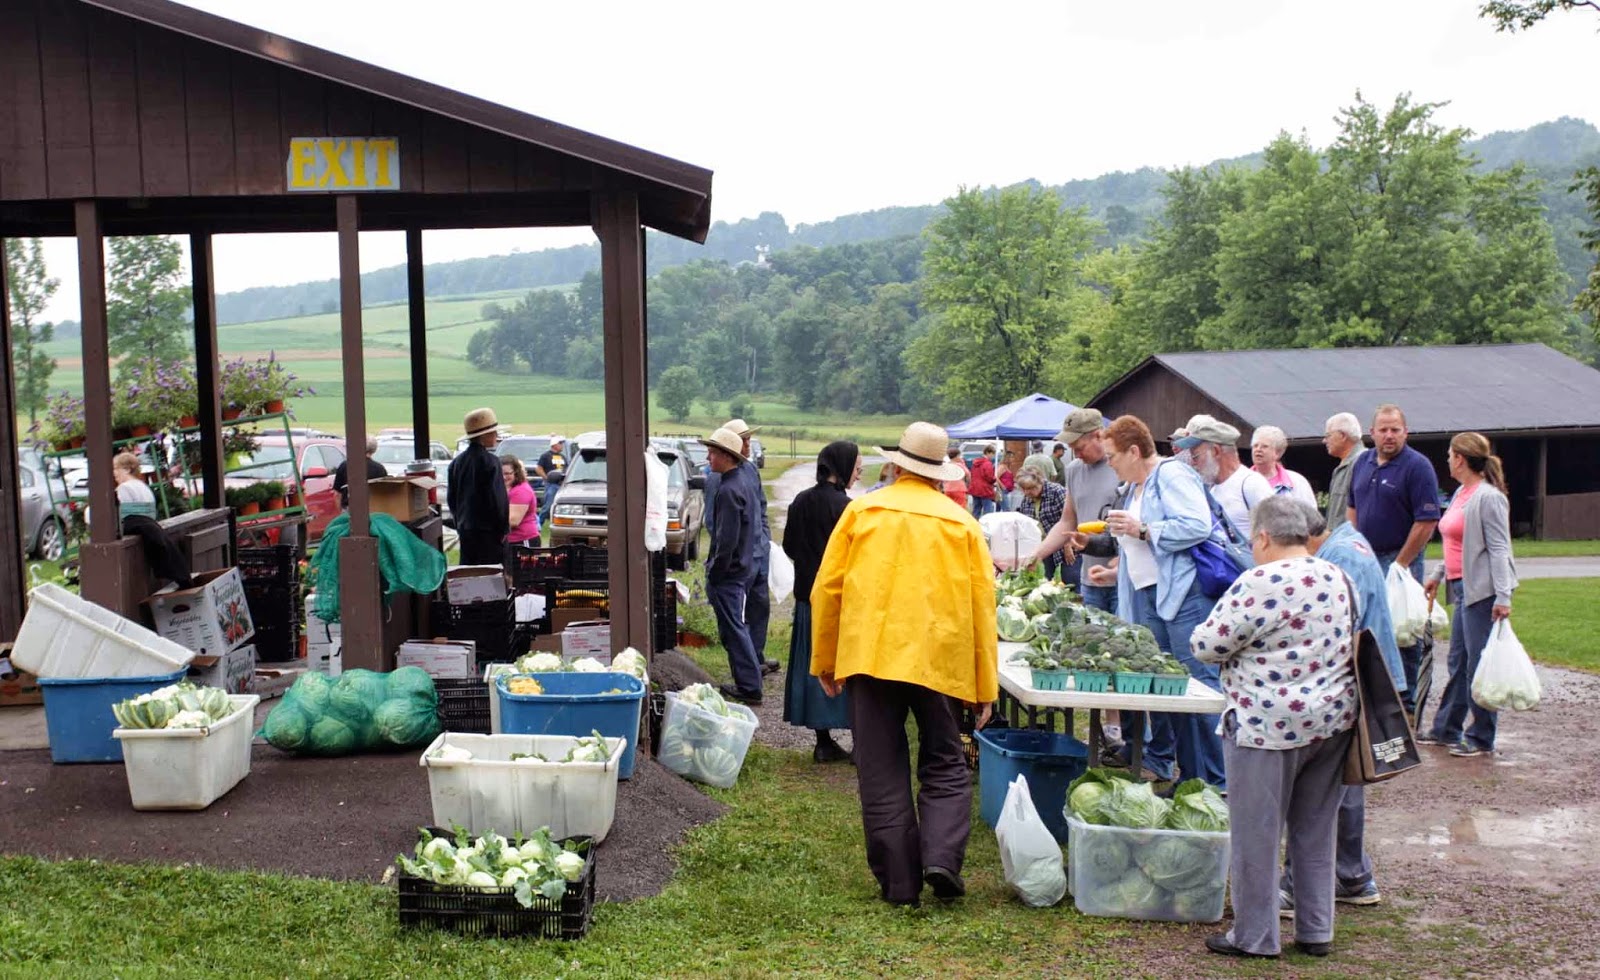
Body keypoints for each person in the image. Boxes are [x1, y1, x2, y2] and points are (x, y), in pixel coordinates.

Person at [810, 421, 997, 907]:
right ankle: (940, 857)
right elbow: (982, 608)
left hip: (870, 657)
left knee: (880, 768)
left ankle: (899, 883)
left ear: (895, 465)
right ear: (942, 474)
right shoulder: (962, 525)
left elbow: (827, 589)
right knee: (945, 761)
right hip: (941, 659)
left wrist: (825, 660)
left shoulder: (862, 512)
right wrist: (984, 686)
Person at [1190, 496, 1357, 960]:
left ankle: (1256, 936)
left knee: (1256, 835)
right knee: (1316, 830)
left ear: (1263, 537)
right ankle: (1316, 929)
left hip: (1267, 725)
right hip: (1332, 721)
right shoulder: (1337, 574)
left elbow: (1207, 643)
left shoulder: (1259, 581)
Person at [1279, 504, 1404, 916]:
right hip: (1365, 671)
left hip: (1356, 676)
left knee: (1329, 785)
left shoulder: (1340, 556)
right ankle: (1352, 876)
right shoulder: (1346, 542)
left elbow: (1332, 625)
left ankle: (1311, 883)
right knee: (1342, 781)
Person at [1088, 415, 1226, 788]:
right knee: (1173, 691)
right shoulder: (1133, 487)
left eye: (1114, 455)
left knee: (1200, 687)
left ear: (1135, 450)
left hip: (1186, 598)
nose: (1110, 462)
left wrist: (1145, 529)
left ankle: (1219, 780)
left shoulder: (1171, 475)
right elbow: (1143, 554)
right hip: (1154, 597)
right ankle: (1193, 777)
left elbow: (1197, 525)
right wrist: (1115, 569)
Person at [1421, 432, 1517, 758]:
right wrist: (1437, 574)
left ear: (1460, 458)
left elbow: (1499, 548)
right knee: (1458, 661)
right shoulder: (1462, 492)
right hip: (1460, 587)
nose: (1447, 459)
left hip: (1482, 592)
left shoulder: (1488, 497)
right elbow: (1455, 545)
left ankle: (1480, 737)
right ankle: (1446, 728)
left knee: (1477, 663)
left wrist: (1503, 596)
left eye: (1450, 454)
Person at [1348, 404, 1441, 708]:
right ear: (1371, 432)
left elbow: (1427, 520)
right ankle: (1372, 701)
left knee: (1402, 632)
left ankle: (1406, 704)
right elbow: (1352, 508)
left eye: (1395, 430)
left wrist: (1401, 564)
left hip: (1400, 560)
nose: (1389, 436)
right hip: (1366, 557)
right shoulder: (1362, 463)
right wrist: (1354, 546)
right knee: (1364, 627)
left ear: (1406, 432)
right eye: (1383, 430)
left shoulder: (1417, 466)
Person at [782, 441, 860, 763]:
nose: (859, 473)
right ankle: (861, 743)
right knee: (845, 667)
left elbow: (788, 545)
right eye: (856, 468)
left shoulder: (800, 501)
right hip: (837, 601)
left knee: (812, 666)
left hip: (806, 597)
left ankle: (823, 741)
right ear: (841, 468)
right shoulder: (847, 508)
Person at [1029, 409, 1120, 612]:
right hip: (1090, 580)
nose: (1076, 454)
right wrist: (1038, 554)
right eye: (1071, 449)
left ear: (1099, 435)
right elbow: (1067, 521)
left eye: (1079, 447)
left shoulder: (1122, 465)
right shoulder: (1074, 470)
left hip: (1121, 581)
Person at [701, 426, 765, 704]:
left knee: (734, 629)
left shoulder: (728, 489)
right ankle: (749, 681)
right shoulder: (741, 481)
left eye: (712, 453)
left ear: (727, 456)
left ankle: (750, 686)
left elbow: (726, 539)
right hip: (742, 568)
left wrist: (715, 571)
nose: (708, 458)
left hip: (729, 574)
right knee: (735, 626)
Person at [724, 418, 777, 675]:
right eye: (743, 440)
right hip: (741, 558)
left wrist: (764, 539)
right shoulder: (721, 476)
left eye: (748, 439)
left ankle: (757, 657)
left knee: (760, 606)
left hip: (759, 552)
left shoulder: (751, 469)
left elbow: (762, 507)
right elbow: (717, 522)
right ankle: (744, 665)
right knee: (738, 612)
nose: (748, 444)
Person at [1176, 414, 1270, 542]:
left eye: (1195, 457)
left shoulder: (1251, 484)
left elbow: (1277, 535)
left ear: (1215, 451)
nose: (1193, 463)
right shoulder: (1211, 488)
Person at [114, 452, 192, 589]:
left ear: (127, 469)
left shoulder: (123, 488)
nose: (114, 473)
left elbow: (122, 515)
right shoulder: (144, 487)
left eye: (116, 468)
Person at [447, 407, 509, 566]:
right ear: (485, 435)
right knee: (491, 576)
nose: (496, 436)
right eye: (494, 432)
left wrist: (459, 522)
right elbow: (498, 501)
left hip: (466, 530)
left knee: (468, 574)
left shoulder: (457, 462)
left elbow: (451, 499)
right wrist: (503, 530)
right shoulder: (491, 462)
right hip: (489, 533)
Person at [1014, 467, 1069, 579]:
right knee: (1046, 582)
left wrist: (1068, 545)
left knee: (1069, 581)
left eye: (1031, 488)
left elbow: (1070, 520)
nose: (1027, 492)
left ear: (1040, 482)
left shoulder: (1057, 492)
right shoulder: (1027, 499)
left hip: (1065, 547)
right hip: (1043, 548)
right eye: (1024, 489)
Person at [1250, 425, 1316, 506]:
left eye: (1264, 446)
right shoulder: (1241, 481)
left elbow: (1311, 515)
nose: (1258, 450)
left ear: (1277, 453)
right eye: (1255, 446)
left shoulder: (1297, 482)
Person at [1322, 412, 1364, 531]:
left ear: (1342, 436)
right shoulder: (1344, 465)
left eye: (1328, 435)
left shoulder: (1362, 463)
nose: (1324, 441)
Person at [333, 436, 388, 509]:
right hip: (373, 508)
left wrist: (341, 513)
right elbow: (384, 493)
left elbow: (337, 494)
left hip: (349, 508)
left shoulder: (345, 465)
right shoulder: (379, 469)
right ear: (374, 450)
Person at [501, 455, 541, 548]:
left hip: (522, 541)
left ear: (516, 472)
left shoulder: (521, 491)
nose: (503, 477)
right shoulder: (504, 488)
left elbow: (513, 521)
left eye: (507, 473)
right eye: (501, 473)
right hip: (507, 540)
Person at [534, 437, 566, 528]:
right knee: (547, 507)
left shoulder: (563, 457)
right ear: (554, 445)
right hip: (552, 485)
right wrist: (547, 478)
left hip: (562, 485)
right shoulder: (545, 456)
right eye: (560, 443)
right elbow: (538, 468)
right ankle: (538, 525)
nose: (562, 445)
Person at [968, 445, 998, 517]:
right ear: (988, 453)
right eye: (992, 454)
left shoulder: (975, 463)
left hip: (975, 488)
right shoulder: (987, 463)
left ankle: (974, 526)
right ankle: (987, 527)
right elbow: (989, 477)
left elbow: (972, 474)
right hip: (985, 490)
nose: (993, 456)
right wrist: (994, 480)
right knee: (988, 512)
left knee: (976, 510)